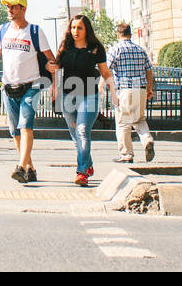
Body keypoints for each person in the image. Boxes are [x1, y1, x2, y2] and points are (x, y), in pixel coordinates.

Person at [0, 0, 54, 184]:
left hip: (31, 86)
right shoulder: (2, 31)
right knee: (15, 131)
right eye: (8, 7)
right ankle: (30, 167)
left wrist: (51, 69)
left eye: (13, 7)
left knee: (26, 125)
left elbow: (50, 58)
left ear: (23, 9)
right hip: (8, 87)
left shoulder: (35, 31)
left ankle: (21, 168)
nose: (10, 10)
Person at [54, 14, 113, 187]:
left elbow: (105, 73)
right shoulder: (65, 47)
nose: (75, 31)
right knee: (75, 136)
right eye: (73, 27)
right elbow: (57, 68)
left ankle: (82, 173)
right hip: (67, 97)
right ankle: (88, 165)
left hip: (89, 96)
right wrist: (55, 93)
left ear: (86, 29)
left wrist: (115, 94)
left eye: (79, 27)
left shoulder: (95, 48)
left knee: (82, 131)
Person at [108, 22, 155, 163]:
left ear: (117, 34)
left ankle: (126, 154)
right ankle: (147, 140)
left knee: (123, 123)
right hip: (140, 89)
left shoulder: (115, 49)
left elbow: (107, 70)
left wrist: (107, 89)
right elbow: (149, 71)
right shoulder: (140, 50)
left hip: (124, 90)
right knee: (139, 119)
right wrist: (149, 89)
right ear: (130, 34)